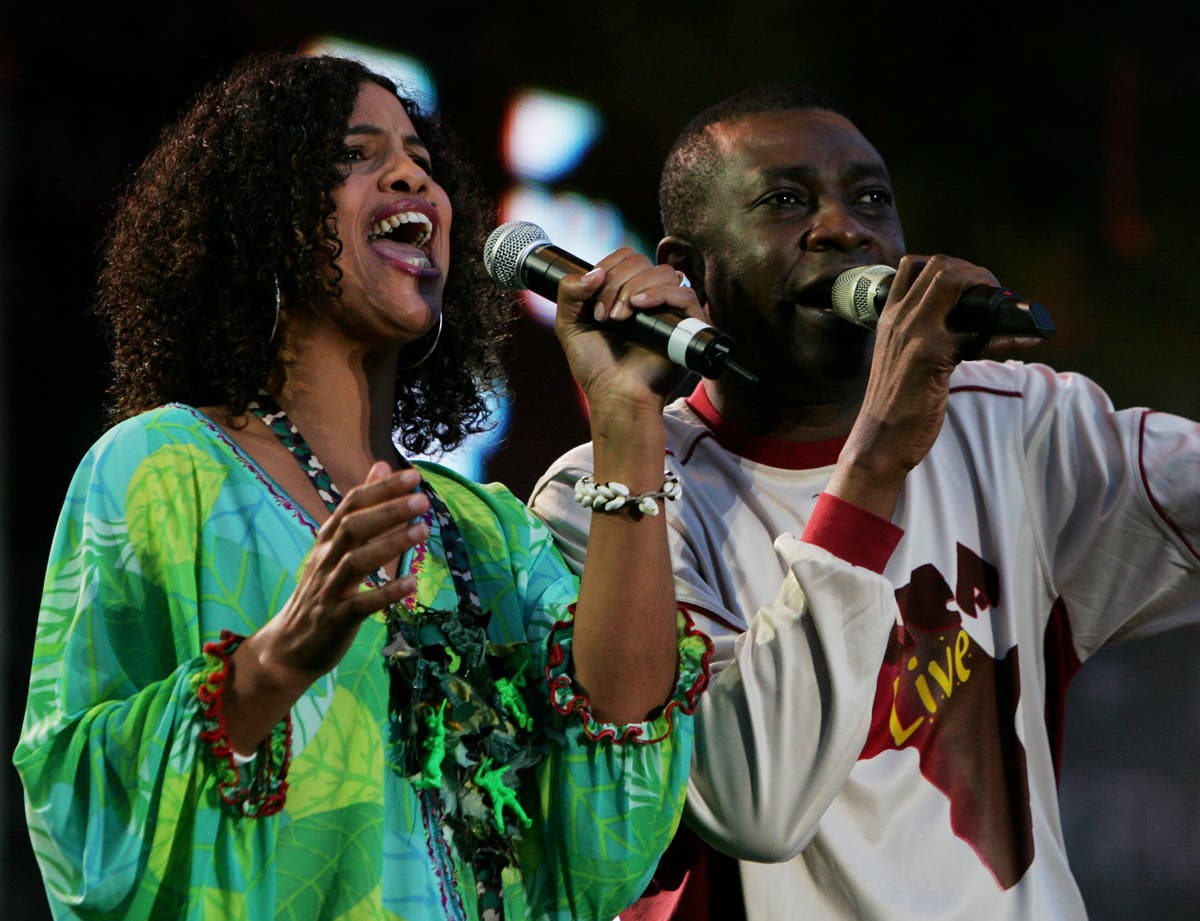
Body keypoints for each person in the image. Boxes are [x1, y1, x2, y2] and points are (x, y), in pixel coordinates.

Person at [11, 51, 714, 921]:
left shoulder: (491, 535)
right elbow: (77, 802)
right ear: (262, 215)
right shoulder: (159, 468)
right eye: (355, 153)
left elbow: (615, 804)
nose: (410, 172)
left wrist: (625, 417)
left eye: (420, 156)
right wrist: (280, 655)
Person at [530, 83, 1200, 920]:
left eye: (871, 199)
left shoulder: (1014, 423)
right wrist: (878, 458)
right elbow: (755, 803)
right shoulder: (609, 492)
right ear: (689, 270)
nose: (844, 227)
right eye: (785, 201)